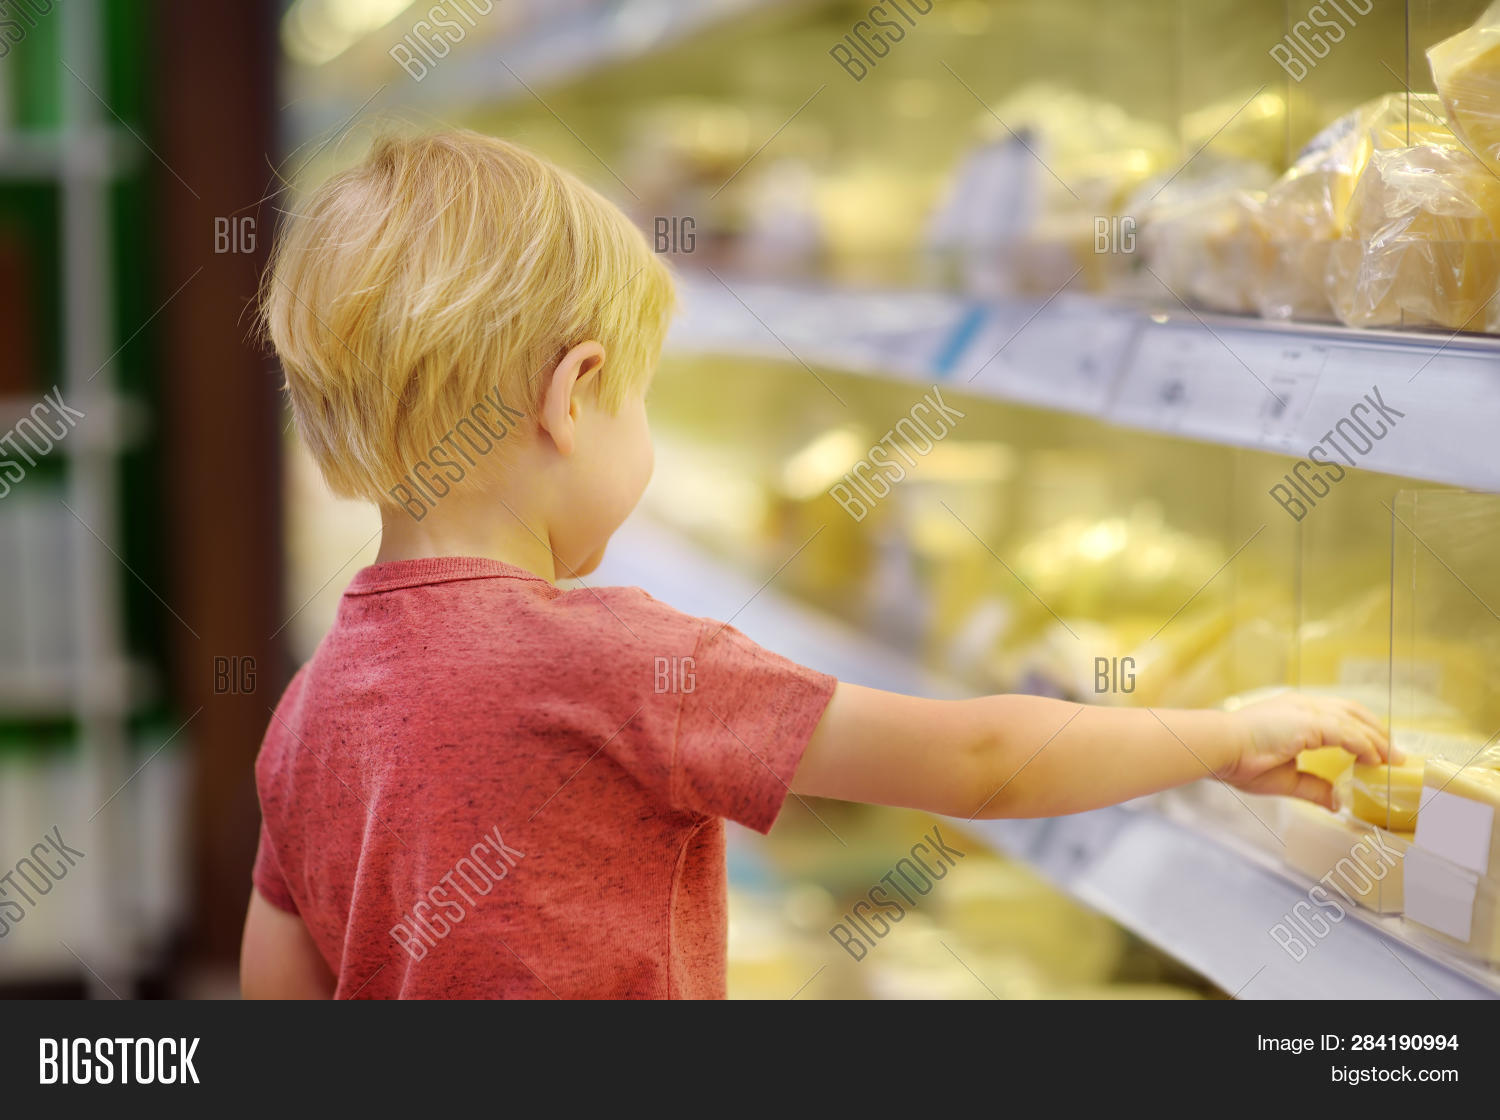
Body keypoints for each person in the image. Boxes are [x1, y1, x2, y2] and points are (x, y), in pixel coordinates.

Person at [240, 130, 1390, 999]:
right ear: (574, 397)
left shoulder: (305, 713)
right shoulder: (623, 664)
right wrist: (1226, 735)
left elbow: (278, 983)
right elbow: (983, 756)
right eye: (641, 398)